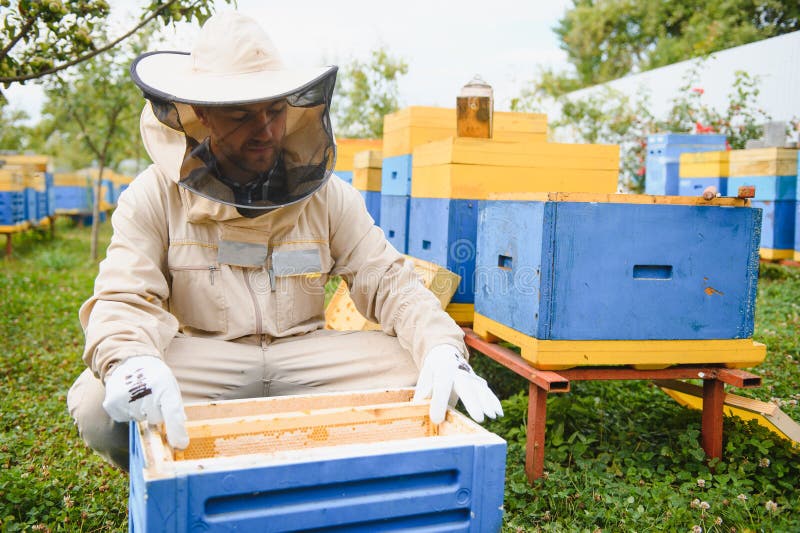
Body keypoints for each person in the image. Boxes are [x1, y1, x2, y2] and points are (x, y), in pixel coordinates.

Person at [67, 11, 502, 470]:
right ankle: (173, 479)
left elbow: (389, 280)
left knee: (427, 373)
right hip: (205, 357)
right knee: (100, 406)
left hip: (307, 355)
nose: (266, 130)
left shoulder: (328, 195)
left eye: (275, 110)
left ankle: (336, 480)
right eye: (241, 115)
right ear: (202, 115)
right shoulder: (153, 195)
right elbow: (124, 296)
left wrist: (441, 346)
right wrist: (131, 359)